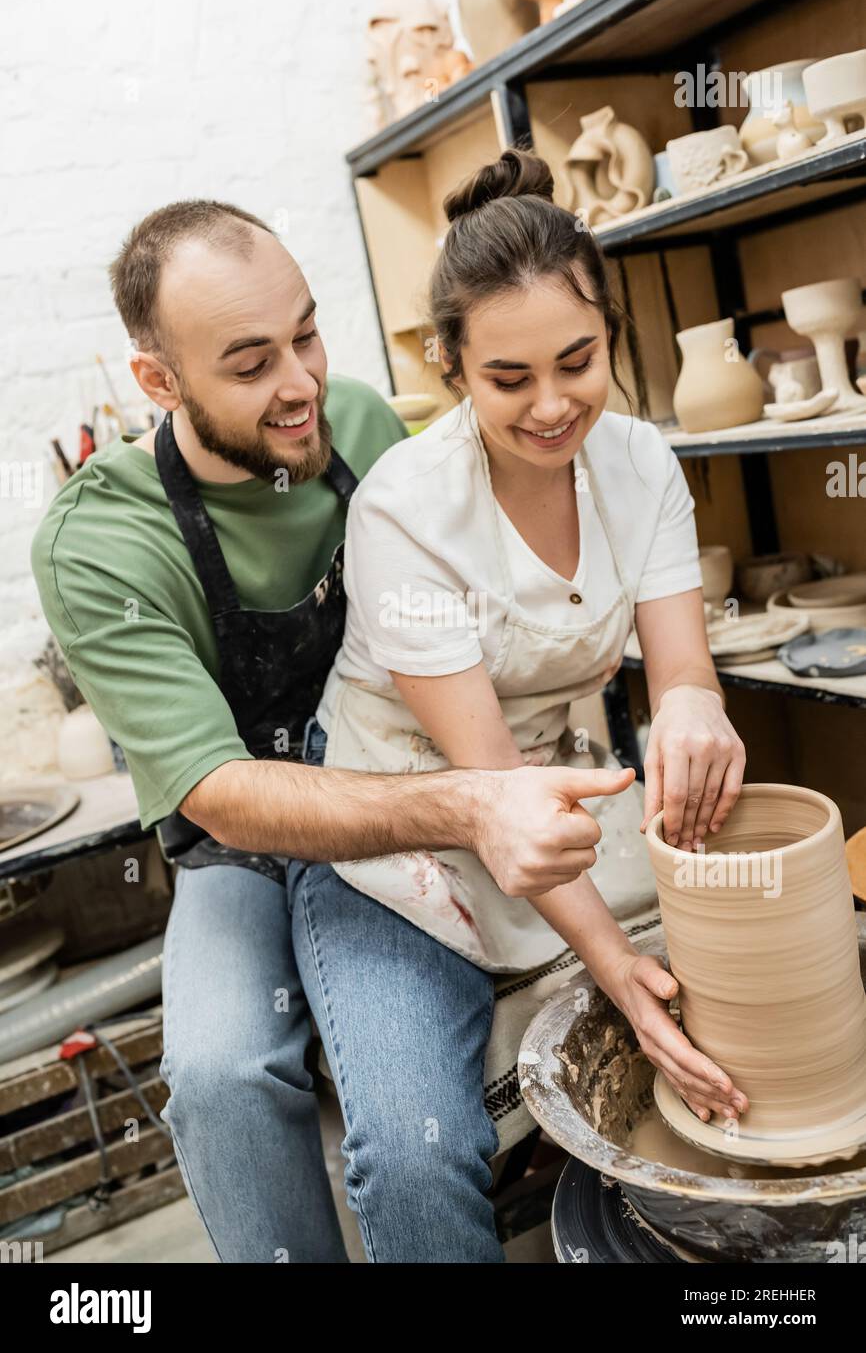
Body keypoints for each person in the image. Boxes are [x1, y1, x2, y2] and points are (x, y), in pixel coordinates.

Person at [31, 197, 632, 1264]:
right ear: (158, 383)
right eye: (251, 363)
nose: (301, 384)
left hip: (412, 781)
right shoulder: (99, 543)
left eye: (306, 333)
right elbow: (217, 791)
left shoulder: (355, 423)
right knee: (222, 1076)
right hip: (246, 848)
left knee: (423, 1129)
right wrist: (472, 803)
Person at [315, 148, 751, 1161]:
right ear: (450, 365)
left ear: (609, 334)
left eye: (578, 361)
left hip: (547, 797)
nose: (551, 404)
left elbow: (680, 668)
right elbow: (488, 786)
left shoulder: (640, 462)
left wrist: (694, 705)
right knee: (418, 1146)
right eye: (508, 378)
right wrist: (619, 977)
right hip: (403, 822)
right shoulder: (404, 509)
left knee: (733, 977)